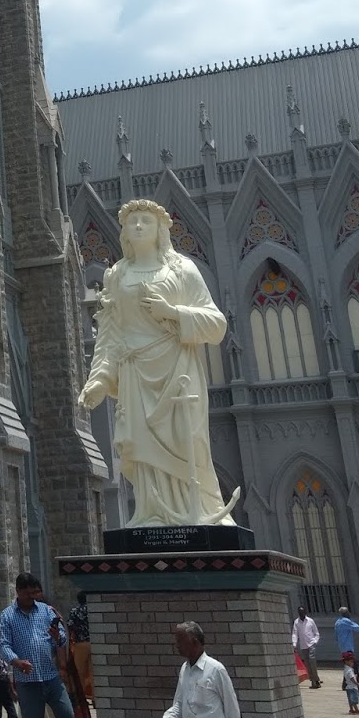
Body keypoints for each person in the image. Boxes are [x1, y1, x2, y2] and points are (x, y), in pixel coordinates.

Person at [78, 199, 237, 528]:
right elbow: (110, 333)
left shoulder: (182, 270)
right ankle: (152, 513)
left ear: (160, 229)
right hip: (135, 374)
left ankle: (200, 513)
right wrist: (100, 378)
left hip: (178, 373)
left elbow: (216, 325)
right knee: (142, 450)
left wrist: (173, 312)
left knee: (188, 444)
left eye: (145, 221)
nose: (137, 226)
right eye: (131, 221)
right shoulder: (116, 276)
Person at [0, 574, 81, 718]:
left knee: (66, 716)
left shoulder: (45, 611)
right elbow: (3, 644)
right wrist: (16, 662)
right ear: (18, 591)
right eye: (28, 593)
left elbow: (61, 639)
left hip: (51, 677)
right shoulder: (8, 616)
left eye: (35, 593)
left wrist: (58, 637)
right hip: (28, 682)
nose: (33, 597)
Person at [68, 592, 92, 704]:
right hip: (94, 643)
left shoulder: (75, 611)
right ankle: (97, 699)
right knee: (94, 672)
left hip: (80, 644)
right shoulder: (92, 610)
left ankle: (81, 698)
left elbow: (70, 626)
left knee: (79, 672)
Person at [291, 606, 321, 689]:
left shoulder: (310, 621)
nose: (301, 614)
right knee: (307, 663)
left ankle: (315, 679)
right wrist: (294, 644)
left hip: (311, 644)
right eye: (300, 613)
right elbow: (295, 634)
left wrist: (315, 641)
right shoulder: (296, 622)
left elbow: (316, 633)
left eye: (303, 612)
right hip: (303, 645)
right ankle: (313, 680)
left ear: (305, 613)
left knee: (312, 661)